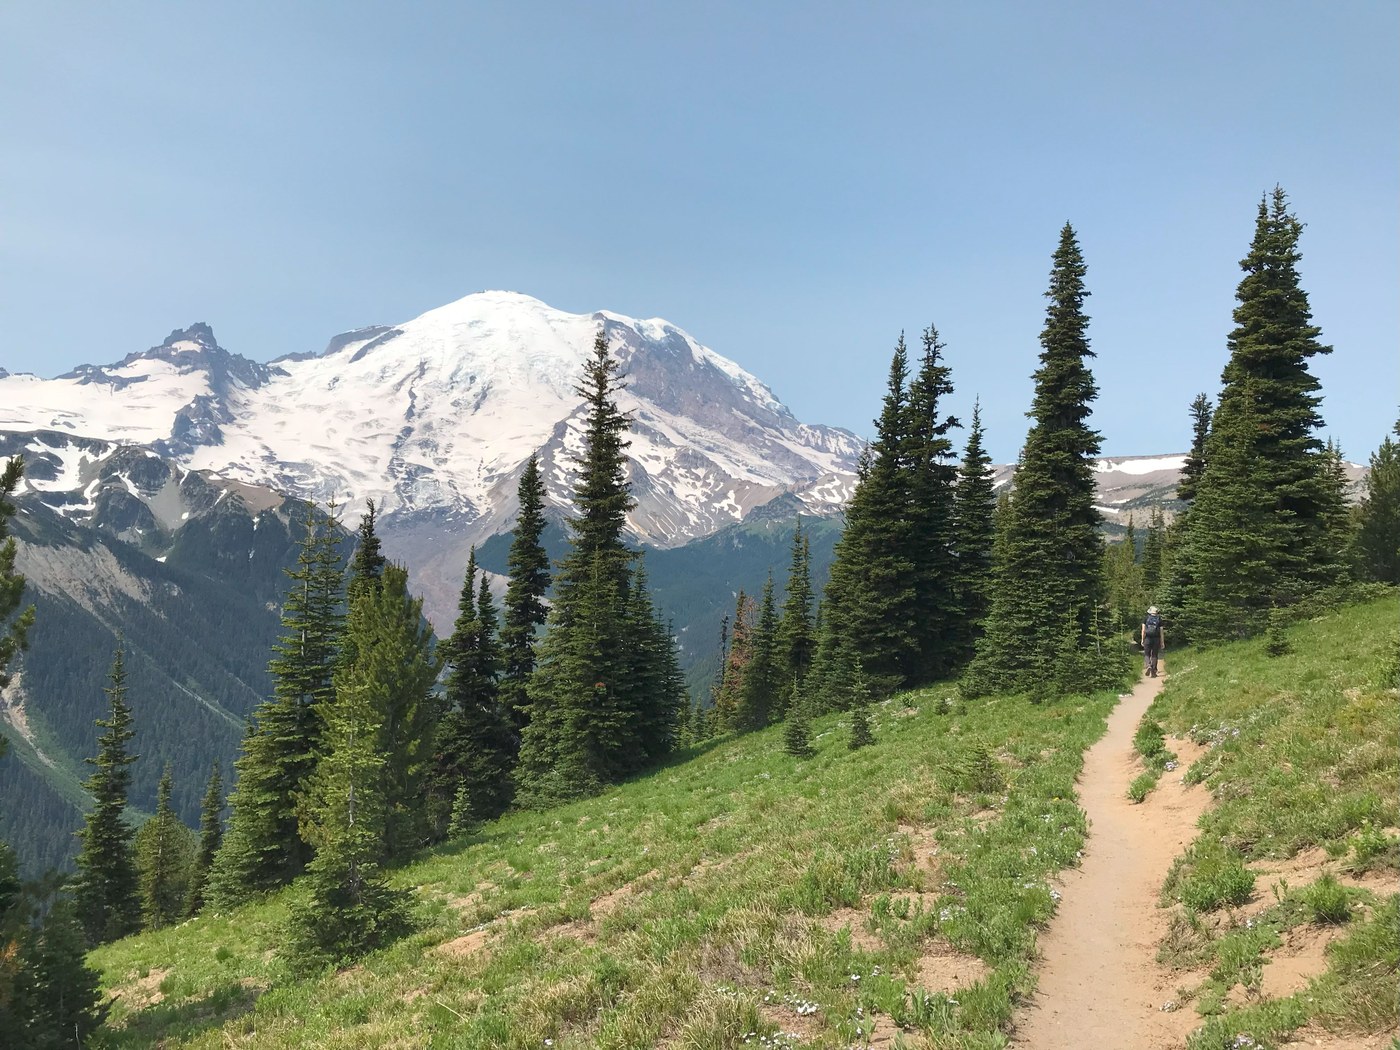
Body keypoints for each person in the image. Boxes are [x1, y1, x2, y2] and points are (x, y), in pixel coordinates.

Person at [1141, 606, 1165, 677]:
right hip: (1156, 639)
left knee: (1146, 654)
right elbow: (1161, 632)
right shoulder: (1159, 619)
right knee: (1154, 655)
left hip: (1148, 638)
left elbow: (1143, 630)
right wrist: (1162, 642)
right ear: (1156, 612)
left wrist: (1142, 639)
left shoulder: (1146, 618)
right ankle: (1154, 670)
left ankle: (1148, 665)